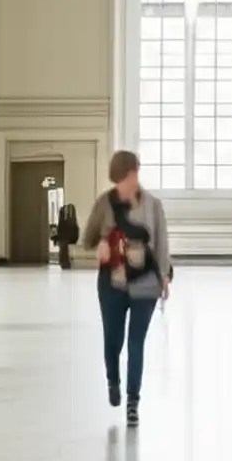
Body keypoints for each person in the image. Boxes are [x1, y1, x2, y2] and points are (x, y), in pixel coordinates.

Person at [81, 151, 171, 427]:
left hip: (146, 283)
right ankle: (113, 380)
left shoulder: (153, 205)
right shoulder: (105, 204)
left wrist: (165, 275)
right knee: (113, 339)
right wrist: (101, 246)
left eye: (131, 175)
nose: (129, 180)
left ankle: (133, 401)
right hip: (113, 284)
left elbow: (161, 240)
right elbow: (87, 238)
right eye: (123, 177)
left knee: (136, 342)